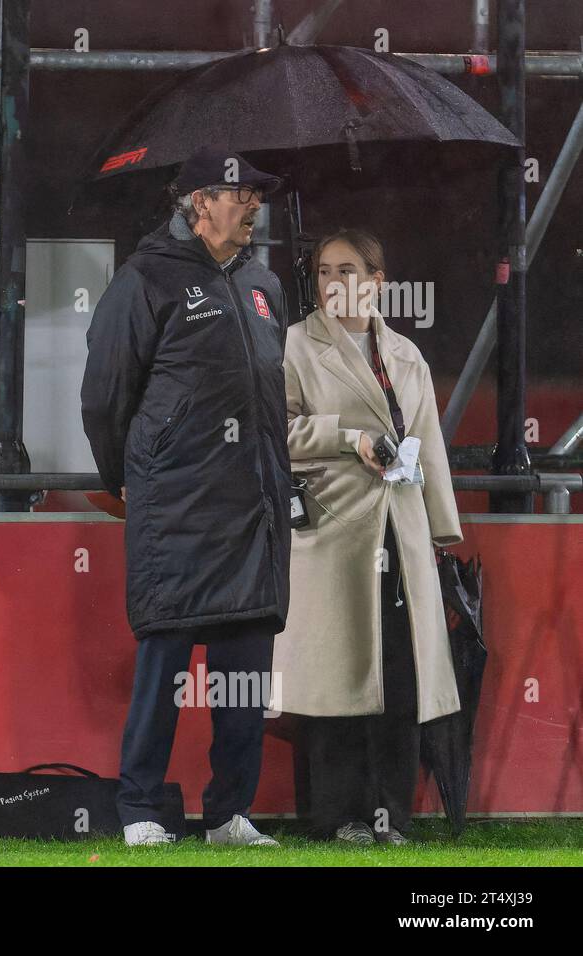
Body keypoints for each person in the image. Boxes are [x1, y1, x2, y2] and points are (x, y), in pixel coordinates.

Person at [81, 146, 292, 847]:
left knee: (243, 677)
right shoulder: (144, 279)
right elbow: (105, 399)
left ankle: (228, 814)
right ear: (198, 202)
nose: (254, 205)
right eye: (241, 194)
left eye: (259, 196)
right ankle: (140, 810)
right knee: (163, 666)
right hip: (175, 510)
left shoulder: (266, 285)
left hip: (250, 511)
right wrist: (135, 482)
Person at [274, 228, 461, 845]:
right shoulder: (297, 344)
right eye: (325, 270)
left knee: (400, 680)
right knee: (337, 680)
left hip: (401, 537)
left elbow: (428, 442)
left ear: (378, 282)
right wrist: (346, 438)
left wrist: (439, 528)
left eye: (347, 269)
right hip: (333, 534)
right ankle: (340, 818)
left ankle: (392, 816)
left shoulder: (406, 353)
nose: (333, 281)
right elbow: (279, 428)